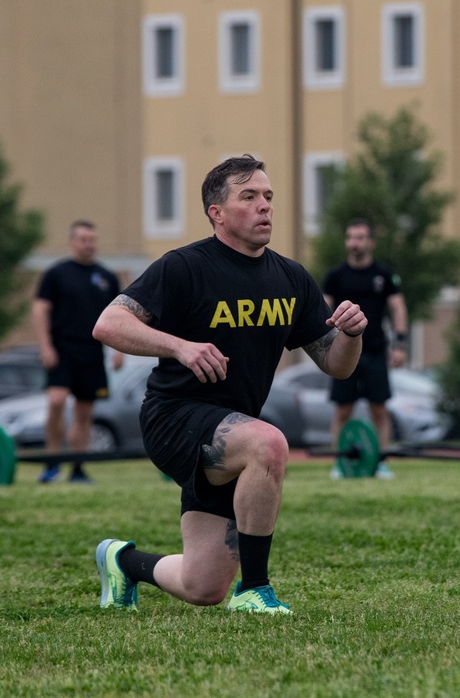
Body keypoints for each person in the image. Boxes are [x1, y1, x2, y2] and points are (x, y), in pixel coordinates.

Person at [91, 155, 366, 615]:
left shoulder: (291, 278)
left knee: (202, 585)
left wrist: (353, 335)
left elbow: (336, 366)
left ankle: (122, 561)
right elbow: (108, 323)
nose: (265, 207)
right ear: (216, 212)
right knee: (270, 443)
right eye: (249, 197)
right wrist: (180, 346)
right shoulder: (183, 267)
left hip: (232, 431)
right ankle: (255, 590)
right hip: (174, 417)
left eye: (269, 197)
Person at [32, 219, 124, 484]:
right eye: (83, 240)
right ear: (73, 242)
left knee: (85, 413)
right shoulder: (56, 274)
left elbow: (119, 316)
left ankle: (78, 468)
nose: (89, 245)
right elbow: (40, 310)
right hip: (61, 348)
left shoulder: (106, 277)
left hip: (92, 351)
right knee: (56, 401)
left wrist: (119, 351)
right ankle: (52, 464)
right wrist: (45, 345)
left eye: (92, 240)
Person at [322, 219, 409, 480]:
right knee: (343, 410)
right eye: (350, 237)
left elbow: (398, 308)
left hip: (374, 351)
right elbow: (323, 311)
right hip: (343, 354)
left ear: (370, 242)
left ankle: (381, 462)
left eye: (360, 238)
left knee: (379, 410)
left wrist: (400, 344)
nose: (354, 243)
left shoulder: (383, 275)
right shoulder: (335, 277)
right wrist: (323, 344)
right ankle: (340, 463)